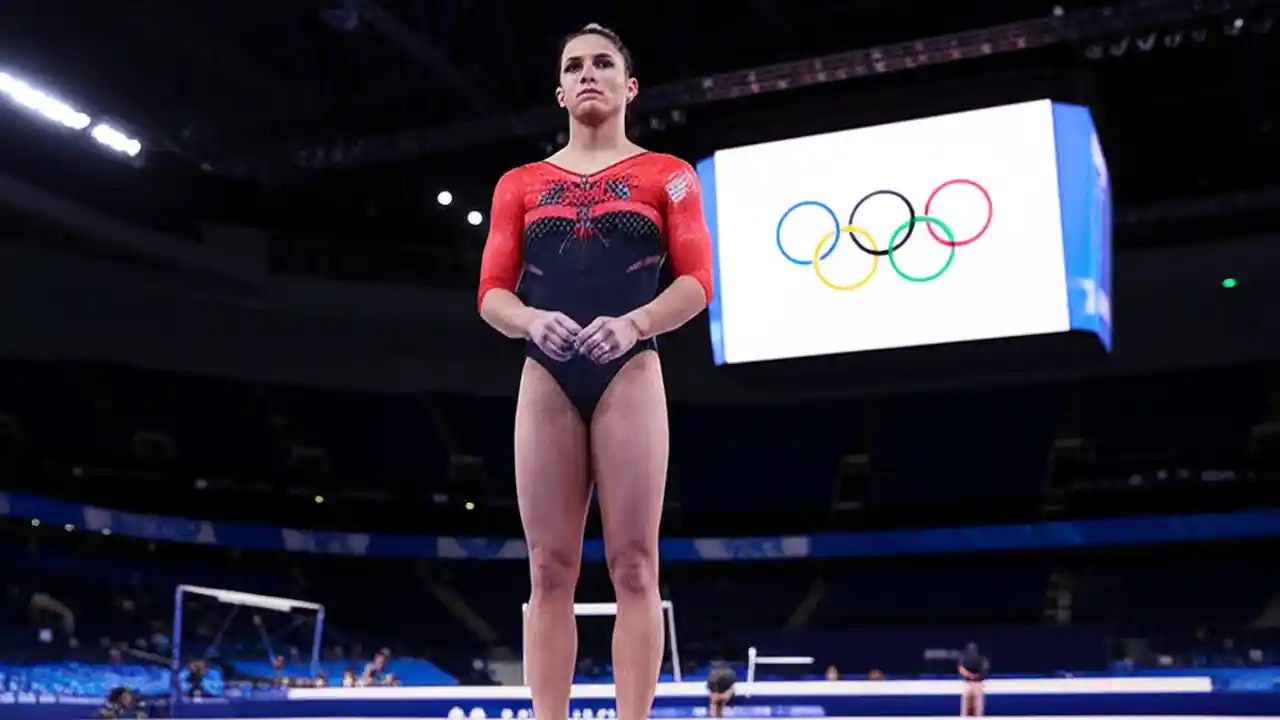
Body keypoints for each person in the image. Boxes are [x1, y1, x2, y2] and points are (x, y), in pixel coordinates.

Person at [477, 22, 714, 720]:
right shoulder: (520, 183)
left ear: (628, 86)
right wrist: (527, 320)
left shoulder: (667, 174)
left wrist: (636, 323)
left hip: (631, 369)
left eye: (603, 63)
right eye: (574, 65)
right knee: (549, 572)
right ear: (558, 90)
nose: (588, 73)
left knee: (635, 567)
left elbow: (698, 281)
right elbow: (491, 291)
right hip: (546, 373)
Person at [958, 641, 990, 717]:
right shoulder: (964, 658)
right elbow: (961, 668)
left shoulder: (982, 659)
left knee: (978, 706)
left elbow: (985, 669)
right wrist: (969, 675)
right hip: (967, 683)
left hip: (978, 684)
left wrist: (975, 676)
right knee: (966, 707)